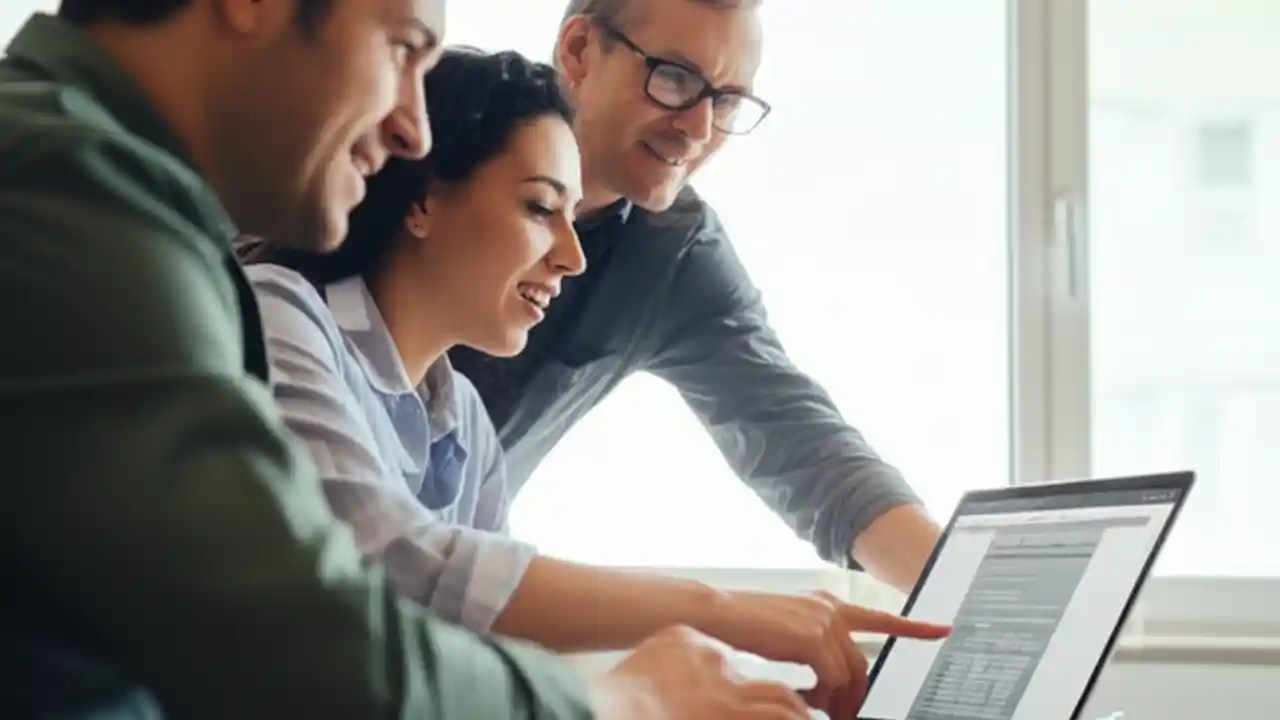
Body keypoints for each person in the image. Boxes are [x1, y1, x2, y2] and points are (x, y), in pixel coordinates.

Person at [0, 3, 814, 718]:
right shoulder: (67, 197)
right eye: (402, 46)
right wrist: (626, 699)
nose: (411, 131)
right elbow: (299, 647)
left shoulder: (115, 202)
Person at [242, 47, 950, 719]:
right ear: (423, 201)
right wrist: (713, 611)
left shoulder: (460, 417)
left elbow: (489, 651)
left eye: (729, 99)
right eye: (540, 209)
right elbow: (386, 562)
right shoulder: (279, 316)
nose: (572, 256)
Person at [447, 0, 944, 594]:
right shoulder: (422, 125)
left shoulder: (672, 253)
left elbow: (805, 448)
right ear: (579, 51)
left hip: (434, 615)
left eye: (727, 100)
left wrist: (967, 599)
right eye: (674, 78)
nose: (699, 128)